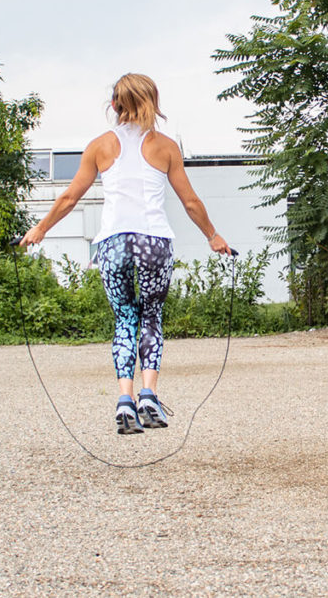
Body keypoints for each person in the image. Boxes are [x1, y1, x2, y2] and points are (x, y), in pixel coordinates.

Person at [19, 73, 231, 435]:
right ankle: (149, 395)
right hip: (154, 242)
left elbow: (70, 197)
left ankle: (124, 399)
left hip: (113, 242)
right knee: (150, 317)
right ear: (152, 102)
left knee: (123, 319)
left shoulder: (99, 146)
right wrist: (212, 236)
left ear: (115, 104)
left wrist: (40, 229)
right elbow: (190, 201)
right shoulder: (165, 147)